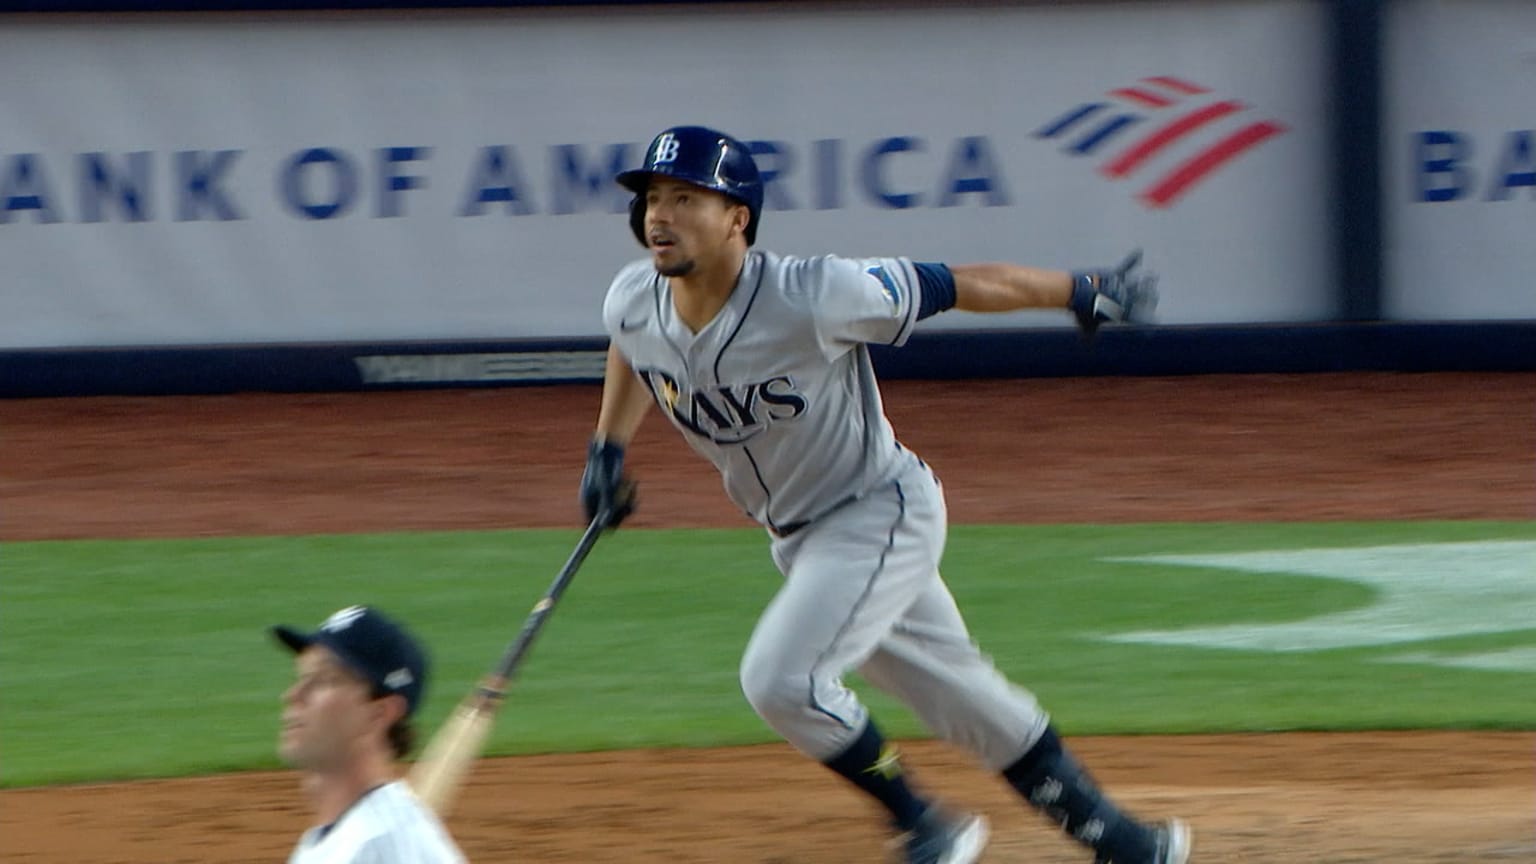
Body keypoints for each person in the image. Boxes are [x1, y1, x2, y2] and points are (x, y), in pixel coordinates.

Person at [579, 125, 1189, 864]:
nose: (658, 215)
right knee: (959, 694)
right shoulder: (635, 298)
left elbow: (955, 284)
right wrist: (607, 449)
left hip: (880, 511)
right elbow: (631, 343)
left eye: (684, 197)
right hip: (801, 540)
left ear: (738, 217)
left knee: (781, 681)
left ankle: (925, 822)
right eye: (651, 198)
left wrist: (1079, 291)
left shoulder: (815, 294)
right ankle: (1125, 841)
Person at [272, 604, 467, 864]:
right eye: (301, 676)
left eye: (324, 679)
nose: (294, 696)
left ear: (379, 714)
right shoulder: (345, 838)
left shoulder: (379, 847)